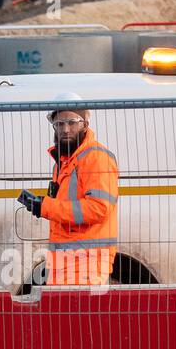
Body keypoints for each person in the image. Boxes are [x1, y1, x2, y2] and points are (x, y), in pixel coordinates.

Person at [17, 93, 119, 286]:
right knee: (62, 315)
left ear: (85, 125)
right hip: (64, 262)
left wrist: (45, 207)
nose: (65, 129)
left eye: (72, 123)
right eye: (59, 124)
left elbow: (98, 208)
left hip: (86, 263)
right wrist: (42, 205)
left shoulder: (96, 158)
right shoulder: (63, 163)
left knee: (78, 315)